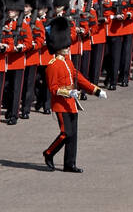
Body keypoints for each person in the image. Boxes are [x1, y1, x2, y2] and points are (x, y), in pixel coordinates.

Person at [42, 15, 104, 173]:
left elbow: (79, 77)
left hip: (71, 103)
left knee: (73, 135)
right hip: (60, 104)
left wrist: (95, 90)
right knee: (65, 133)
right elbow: (53, 88)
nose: (68, 48)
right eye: (66, 46)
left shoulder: (67, 61)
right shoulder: (52, 65)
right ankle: (49, 153)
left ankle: (70, 164)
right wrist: (69, 92)